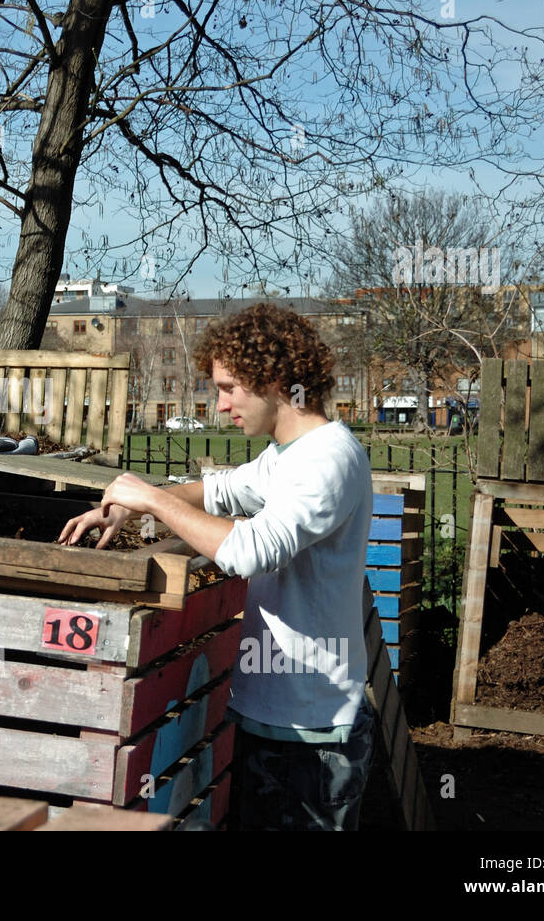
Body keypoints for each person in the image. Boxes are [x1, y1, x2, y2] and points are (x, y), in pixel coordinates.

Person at [57, 303, 375, 830]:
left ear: (273, 378)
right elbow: (219, 489)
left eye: (229, 387)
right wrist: (132, 503)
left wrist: (156, 503)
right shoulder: (285, 455)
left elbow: (253, 549)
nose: (221, 402)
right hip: (268, 711)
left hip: (314, 733)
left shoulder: (328, 458)